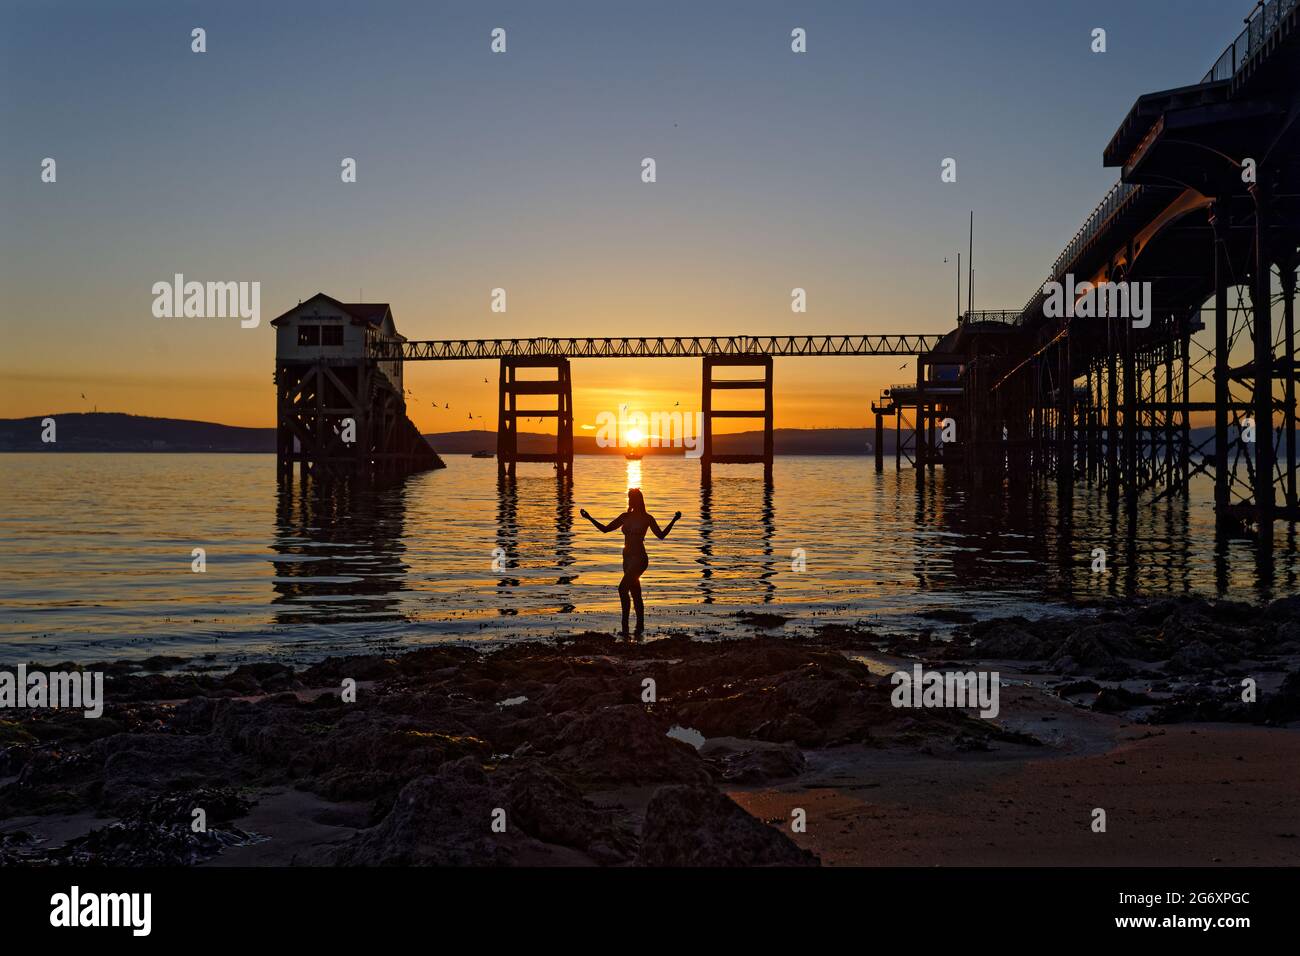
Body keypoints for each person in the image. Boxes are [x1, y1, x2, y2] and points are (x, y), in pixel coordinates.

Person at [580, 488, 681, 637]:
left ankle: (625, 626)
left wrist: (673, 520)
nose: (630, 500)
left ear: (638, 500)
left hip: (640, 559)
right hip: (627, 559)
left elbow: (661, 535)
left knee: (622, 589)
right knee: (635, 593)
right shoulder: (624, 517)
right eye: (629, 498)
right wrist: (589, 518)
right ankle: (639, 628)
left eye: (631, 498)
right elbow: (606, 529)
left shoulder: (647, 518)